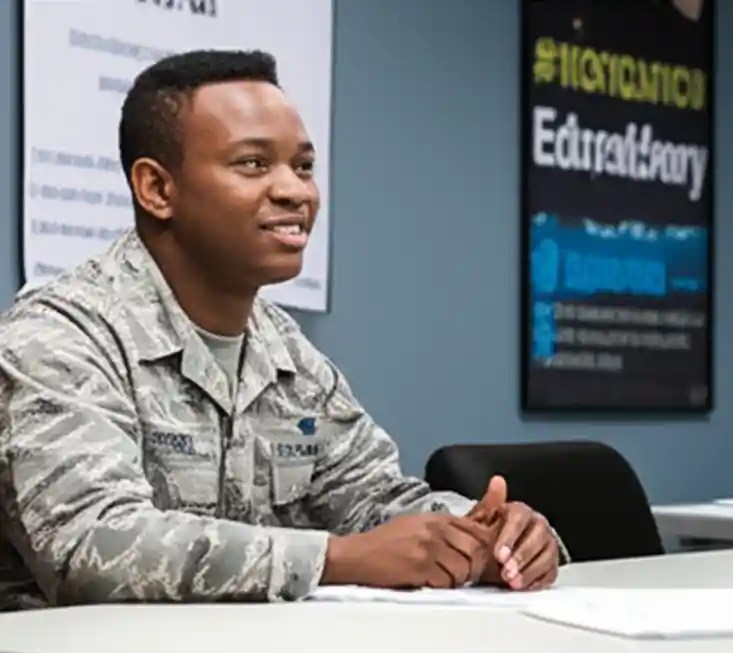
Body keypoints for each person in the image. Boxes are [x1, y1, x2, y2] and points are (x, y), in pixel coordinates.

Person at [0, 49, 565, 612]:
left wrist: (482, 533)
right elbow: (93, 547)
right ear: (157, 190)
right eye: (252, 164)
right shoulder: (59, 336)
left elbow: (373, 499)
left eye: (302, 166)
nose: (296, 192)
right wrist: (337, 558)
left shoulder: (285, 351)